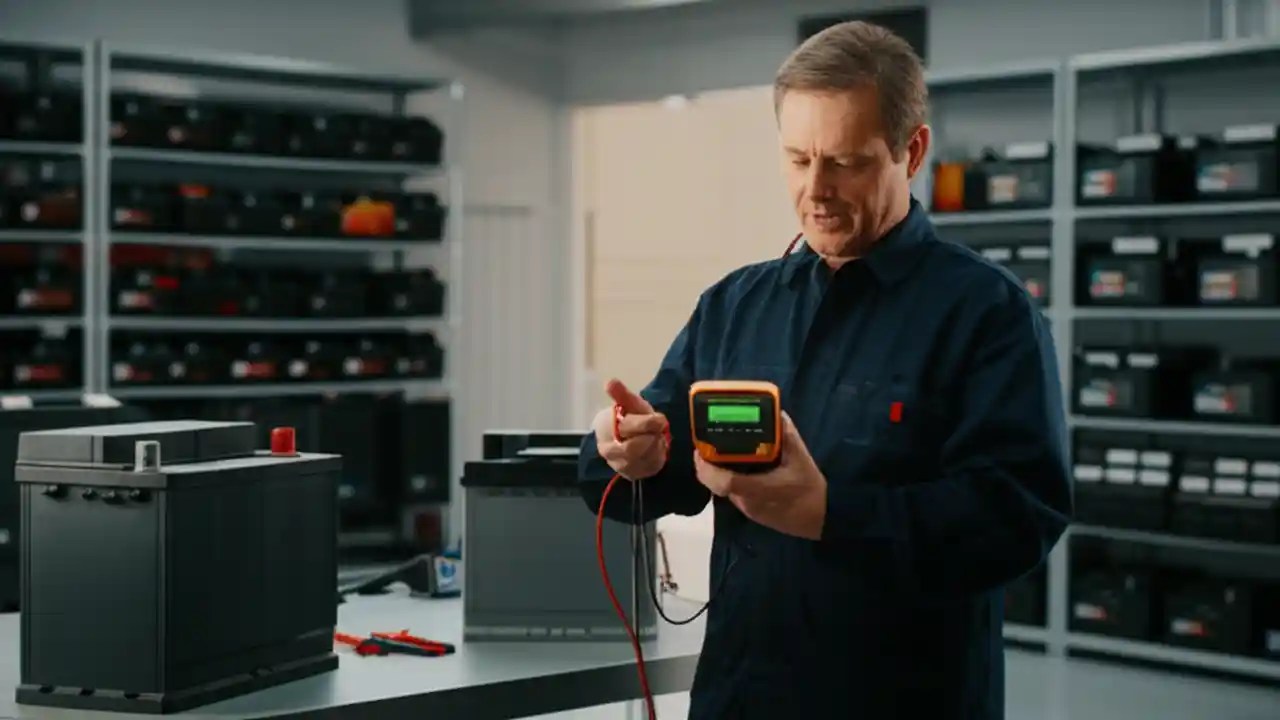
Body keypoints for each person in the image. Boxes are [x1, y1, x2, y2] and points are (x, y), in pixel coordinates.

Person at [577, 20, 1072, 720]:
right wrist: (623, 450)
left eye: (846, 161)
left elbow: (1018, 517)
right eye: (798, 159)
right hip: (740, 698)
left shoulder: (988, 315)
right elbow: (647, 467)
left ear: (913, 150)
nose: (817, 189)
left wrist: (832, 516)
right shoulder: (735, 305)